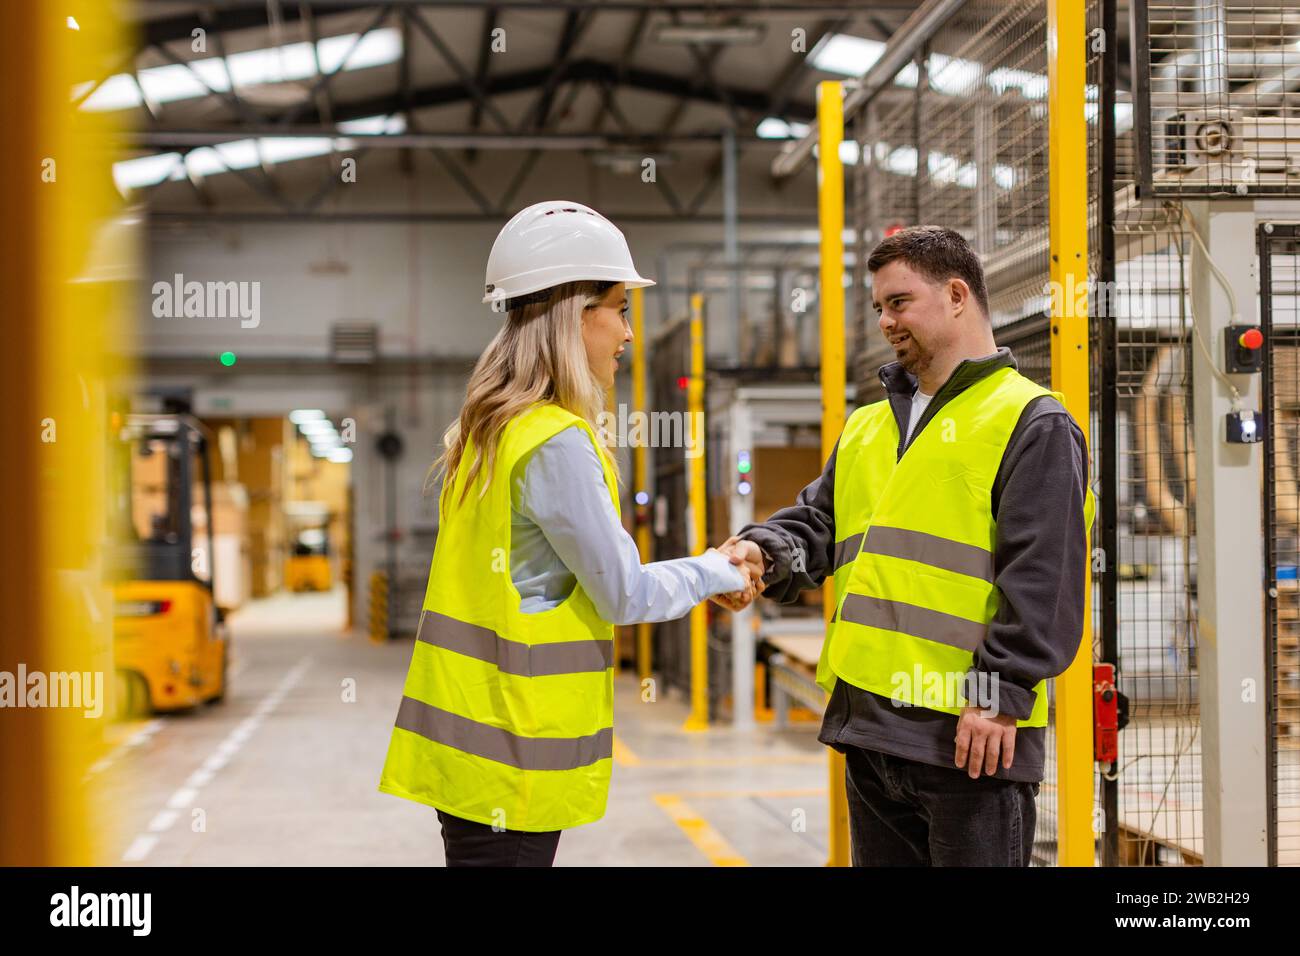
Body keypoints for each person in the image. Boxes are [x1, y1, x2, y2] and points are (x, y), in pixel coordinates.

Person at [377, 200, 764, 867]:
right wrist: (720, 570)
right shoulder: (555, 441)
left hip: (476, 744)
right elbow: (622, 593)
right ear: (572, 314)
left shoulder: (490, 432)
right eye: (619, 309)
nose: (626, 334)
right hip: (512, 747)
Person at [715, 225, 1095, 867]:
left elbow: (1043, 579)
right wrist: (763, 553)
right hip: (871, 731)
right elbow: (819, 523)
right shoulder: (868, 425)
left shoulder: (1032, 422)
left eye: (899, 302)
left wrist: (998, 695)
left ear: (955, 295)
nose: (886, 321)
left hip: (970, 742)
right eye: (879, 308)